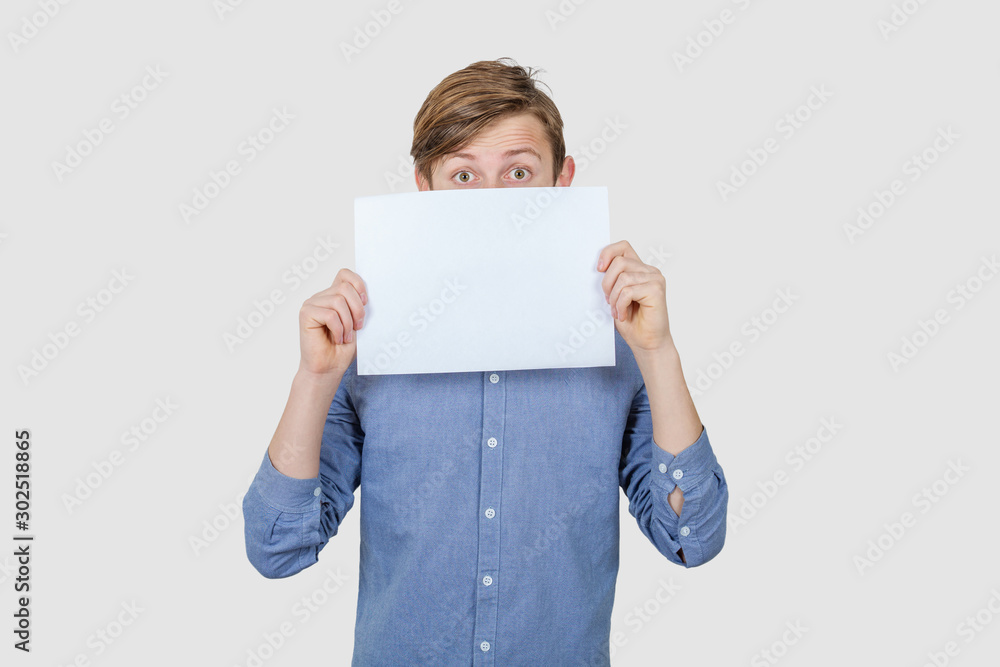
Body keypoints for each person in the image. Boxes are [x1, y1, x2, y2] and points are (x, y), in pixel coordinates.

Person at [242, 57, 728, 665]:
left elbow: (693, 538)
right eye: (464, 176)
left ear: (562, 179)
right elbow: (277, 549)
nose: (492, 202)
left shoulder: (618, 341)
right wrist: (315, 377)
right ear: (425, 187)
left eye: (519, 172)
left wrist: (657, 351)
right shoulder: (367, 344)